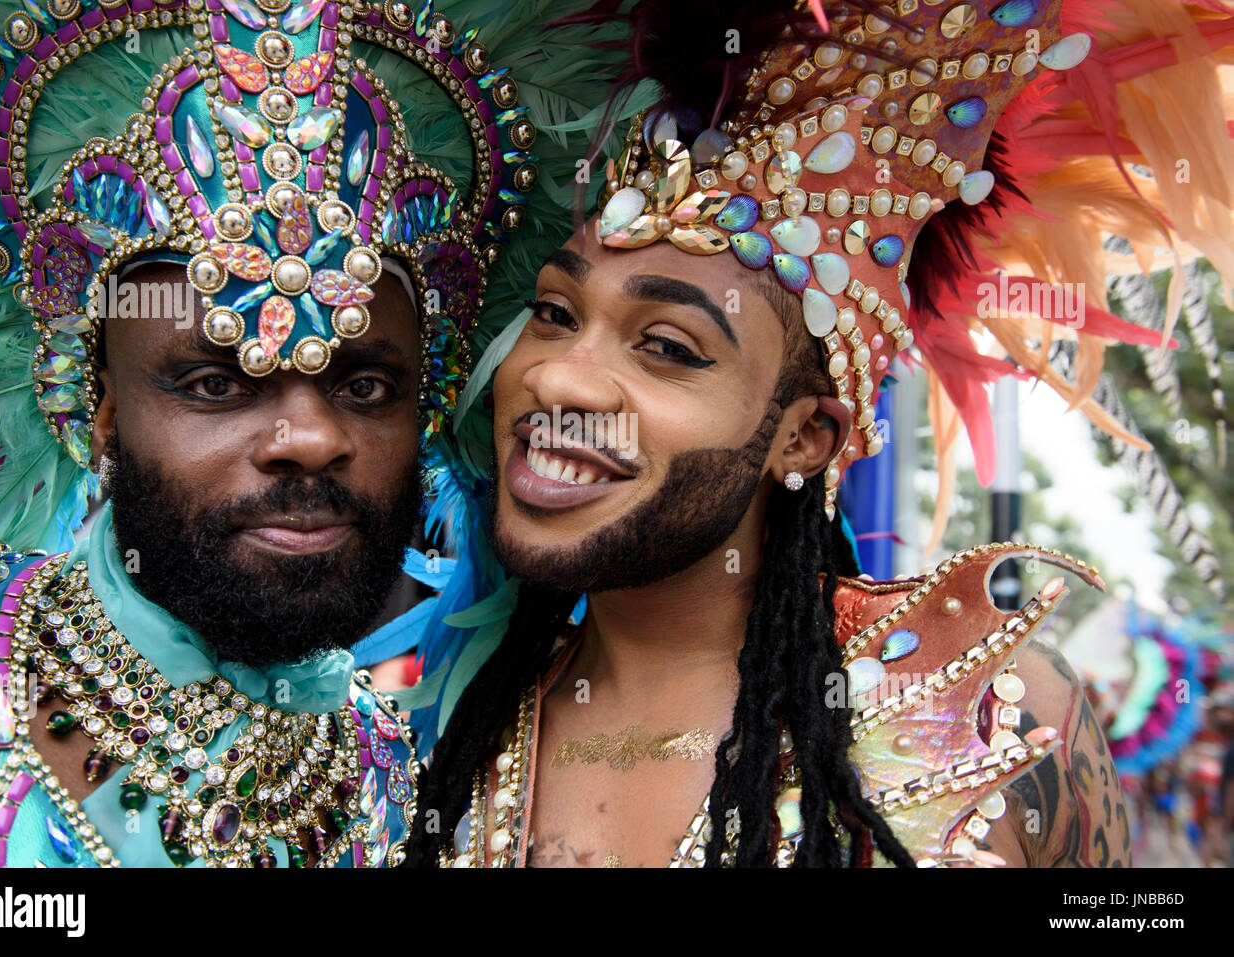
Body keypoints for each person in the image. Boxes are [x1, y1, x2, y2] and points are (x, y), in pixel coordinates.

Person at [375, 0, 1234, 866]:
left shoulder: (988, 715)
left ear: (804, 440)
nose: (555, 375)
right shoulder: (445, 734)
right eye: (555, 313)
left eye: (668, 346)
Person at [0, 0, 611, 868]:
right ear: (101, 414)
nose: (309, 439)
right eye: (217, 383)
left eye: (364, 384)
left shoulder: (394, 783)